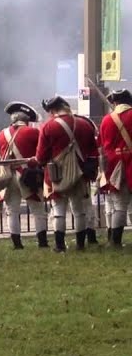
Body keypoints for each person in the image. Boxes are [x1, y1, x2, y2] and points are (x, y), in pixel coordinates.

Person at [36, 95, 99, 252]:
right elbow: (93, 151)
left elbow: (41, 157)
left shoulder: (48, 126)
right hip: (80, 173)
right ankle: (80, 244)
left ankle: (59, 245)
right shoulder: (84, 124)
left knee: (58, 210)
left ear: (53, 110)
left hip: (57, 173)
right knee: (79, 210)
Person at [0, 102, 47, 249]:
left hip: (8, 176)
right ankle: (42, 243)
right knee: (37, 209)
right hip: (27, 175)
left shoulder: (1, 134)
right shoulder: (33, 132)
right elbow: (41, 154)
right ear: (26, 119)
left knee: (12, 210)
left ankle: (17, 244)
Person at [100, 90, 132, 248]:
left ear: (115, 102)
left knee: (119, 205)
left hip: (115, 166)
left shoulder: (107, 119)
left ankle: (115, 242)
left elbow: (103, 145)